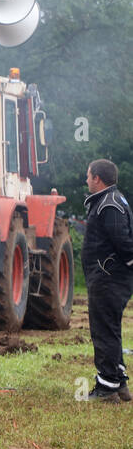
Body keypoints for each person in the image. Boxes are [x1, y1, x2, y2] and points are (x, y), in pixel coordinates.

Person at [81, 159, 133, 402]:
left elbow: (123, 242)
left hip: (108, 279)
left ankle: (107, 389)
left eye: (89, 176)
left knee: (103, 331)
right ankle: (119, 383)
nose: (86, 180)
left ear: (97, 179)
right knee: (110, 329)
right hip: (108, 278)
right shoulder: (112, 200)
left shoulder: (109, 204)